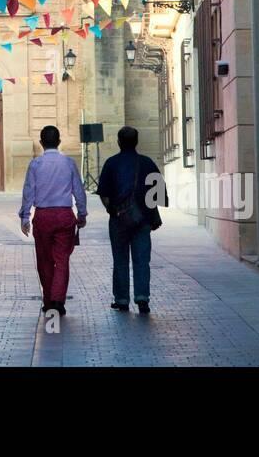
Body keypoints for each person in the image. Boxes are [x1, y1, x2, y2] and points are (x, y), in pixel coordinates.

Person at [18, 125, 88, 317]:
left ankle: (49, 300)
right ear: (59, 142)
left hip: (43, 217)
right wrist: (82, 214)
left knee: (44, 260)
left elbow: (28, 192)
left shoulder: (35, 165)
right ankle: (58, 300)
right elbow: (79, 191)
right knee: (62, 259)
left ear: (41, 143)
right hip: (65, 215)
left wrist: (25, 217)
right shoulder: (69, 163)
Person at [96, 126, 166, 314]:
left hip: (118, 219)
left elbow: (103, 194)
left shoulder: (111, 163)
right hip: (142, 219)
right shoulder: (147, 163)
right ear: (137, 142)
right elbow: (159, 194)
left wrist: (112, 210)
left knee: (120, 259)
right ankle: (142, 298)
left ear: (119, 142)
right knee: (142, 259)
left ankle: (122, 299)